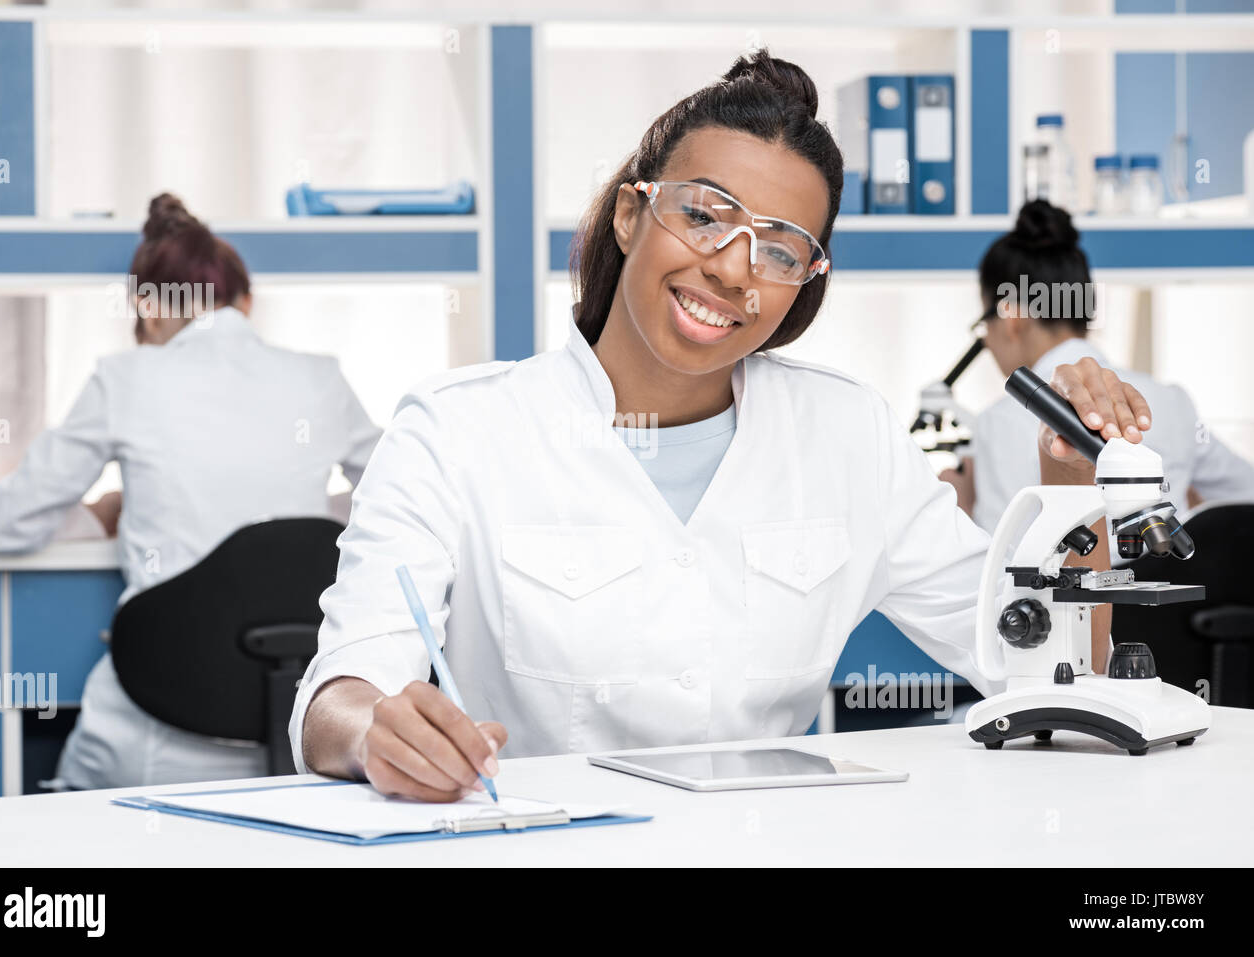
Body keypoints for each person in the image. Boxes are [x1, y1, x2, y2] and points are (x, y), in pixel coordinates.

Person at [292, 51, 1153, 803]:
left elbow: (1036, 663)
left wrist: (1071, 486)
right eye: (703, 214)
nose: (734, 267)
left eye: (780, 249)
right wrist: (378, 733)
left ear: (802, 284)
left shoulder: (846, 431)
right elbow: (340, 692)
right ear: (631, 215)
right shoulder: (457, 430)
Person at [0, 194, 382, 789]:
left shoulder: (126, 377)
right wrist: (305, 513)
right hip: (293, 738)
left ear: (152, 310)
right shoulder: (319, 378)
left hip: (146, 743)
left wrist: (106, 510)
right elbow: (400, 500)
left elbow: (5, 525)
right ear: (245, 302)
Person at [941, 199, 1254, 534]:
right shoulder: (1172, 402)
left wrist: (960, 507)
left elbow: (1006, 571)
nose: (987, 341)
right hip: (1173, 584)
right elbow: (1244, 494)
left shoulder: (1000, 421)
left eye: (986, 324)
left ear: (1011, 317)